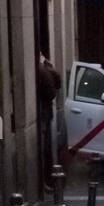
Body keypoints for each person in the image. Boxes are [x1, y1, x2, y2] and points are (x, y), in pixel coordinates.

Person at [37, 53, 61, 189]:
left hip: (43, 113)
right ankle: (46, 181)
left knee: (46, 148)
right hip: (44, 113)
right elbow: (53, 91)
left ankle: (46, 181)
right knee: (45, 149)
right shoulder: (43, 70)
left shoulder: (42, 70)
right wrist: (49, 67)